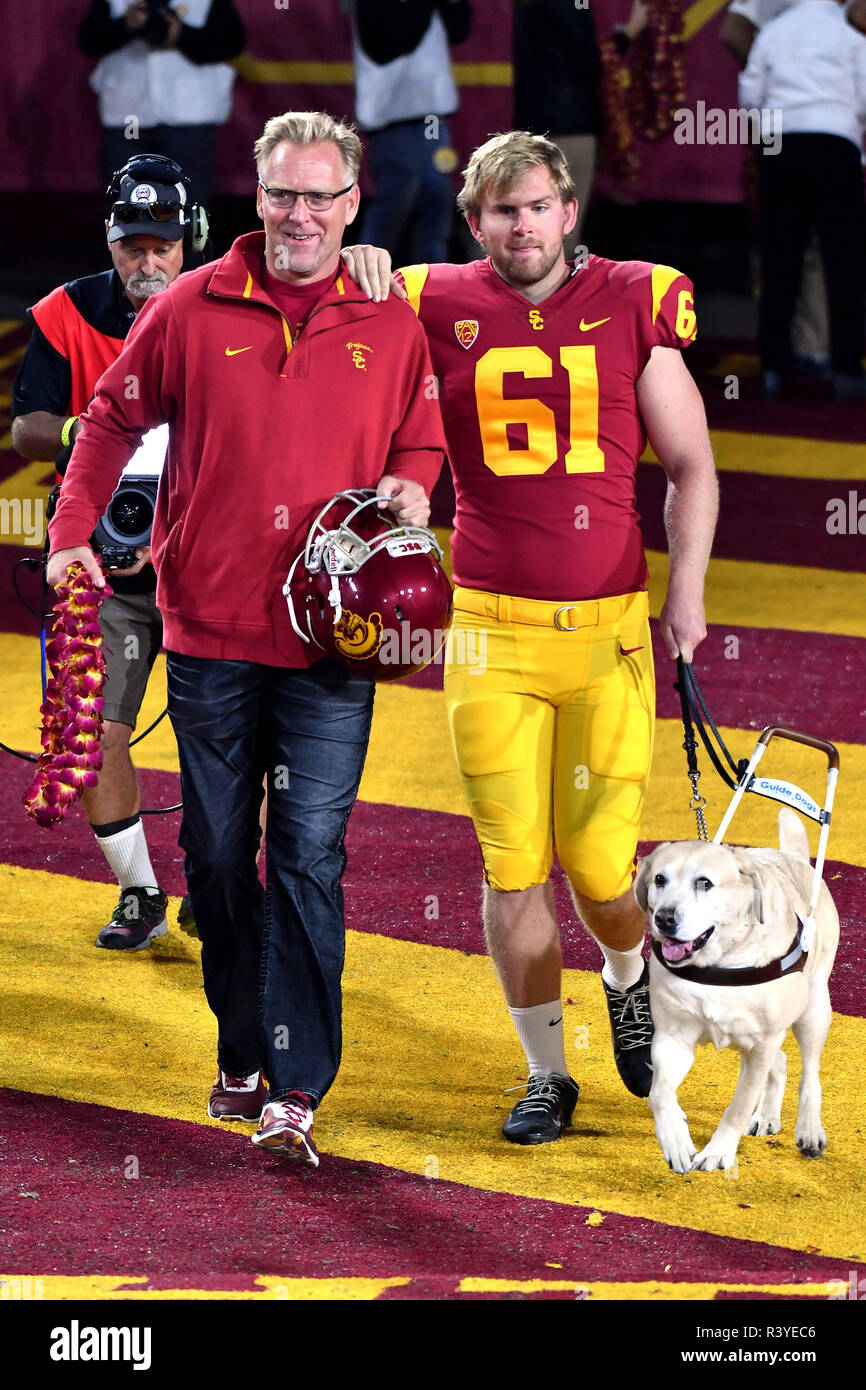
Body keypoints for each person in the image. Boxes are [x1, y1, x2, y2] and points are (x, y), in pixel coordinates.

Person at [46, 111, 446, 1167]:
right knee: (219, 861)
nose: (299, 216)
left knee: (308, 857)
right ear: (253, 197)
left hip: (333, 642)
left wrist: (412, 480)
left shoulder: (388, 313)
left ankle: (296, 1085)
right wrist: (68, 537)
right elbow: (107, 420)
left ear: (354, 202)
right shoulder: (187, 305)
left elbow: (423, 428)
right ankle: (240, 1042)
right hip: (212, 632)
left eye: (320, 196)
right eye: (281, 195)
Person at [342, 129, 718, 1144]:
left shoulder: (633, 299)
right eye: (502, 210)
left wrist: (683, 592)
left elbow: (688, 463)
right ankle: (547, 1073)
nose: (522, 224)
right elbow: (325, 287)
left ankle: (628, 968)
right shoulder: (427, 296)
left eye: (538, 204)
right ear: (475, 222)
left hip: (604, 637)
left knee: (600, 873)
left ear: (566, 209)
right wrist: (358, 259)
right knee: (511, 864)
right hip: (488, 633)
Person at [12, 153, 204, 950]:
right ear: (110, 238)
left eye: (162, 244)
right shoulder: (66, 313)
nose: (147, 260)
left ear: (188, 241)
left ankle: (220, 879)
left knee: (235, 735)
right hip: (99, 561)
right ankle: (139, 890)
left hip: (203, 558)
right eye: (133, 244)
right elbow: (27, 425)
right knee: (86, 727)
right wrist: (89, 436)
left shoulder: (224, 307)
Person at [739, 0, 866, 401]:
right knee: (843, 262)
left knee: (780, 260)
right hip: (836, 146)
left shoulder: (773, 32)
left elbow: (749, 95)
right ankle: (847, 371)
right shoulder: (849, 32)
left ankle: (773, 370)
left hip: (782, 146)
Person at [78, 0, 246, 208]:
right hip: (127, 118)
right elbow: (89, 41)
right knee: (125, 207)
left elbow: (231, 43)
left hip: (189, 119)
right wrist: (125, 25)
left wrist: (182, 35)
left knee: (189, 208)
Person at [512, 0, 649, 252]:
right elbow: (589, 61)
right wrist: (629, 32)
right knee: (561, 235)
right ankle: (554, 291)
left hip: (533, 128)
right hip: (570, 129)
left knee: (537, 231)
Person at [351, 0, 472, 263]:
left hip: (433, 118)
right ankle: (359, 286)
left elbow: (460, 30)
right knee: (391, 213)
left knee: (437, 212)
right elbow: (390, 46)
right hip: (394, 120)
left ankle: (432, 290)